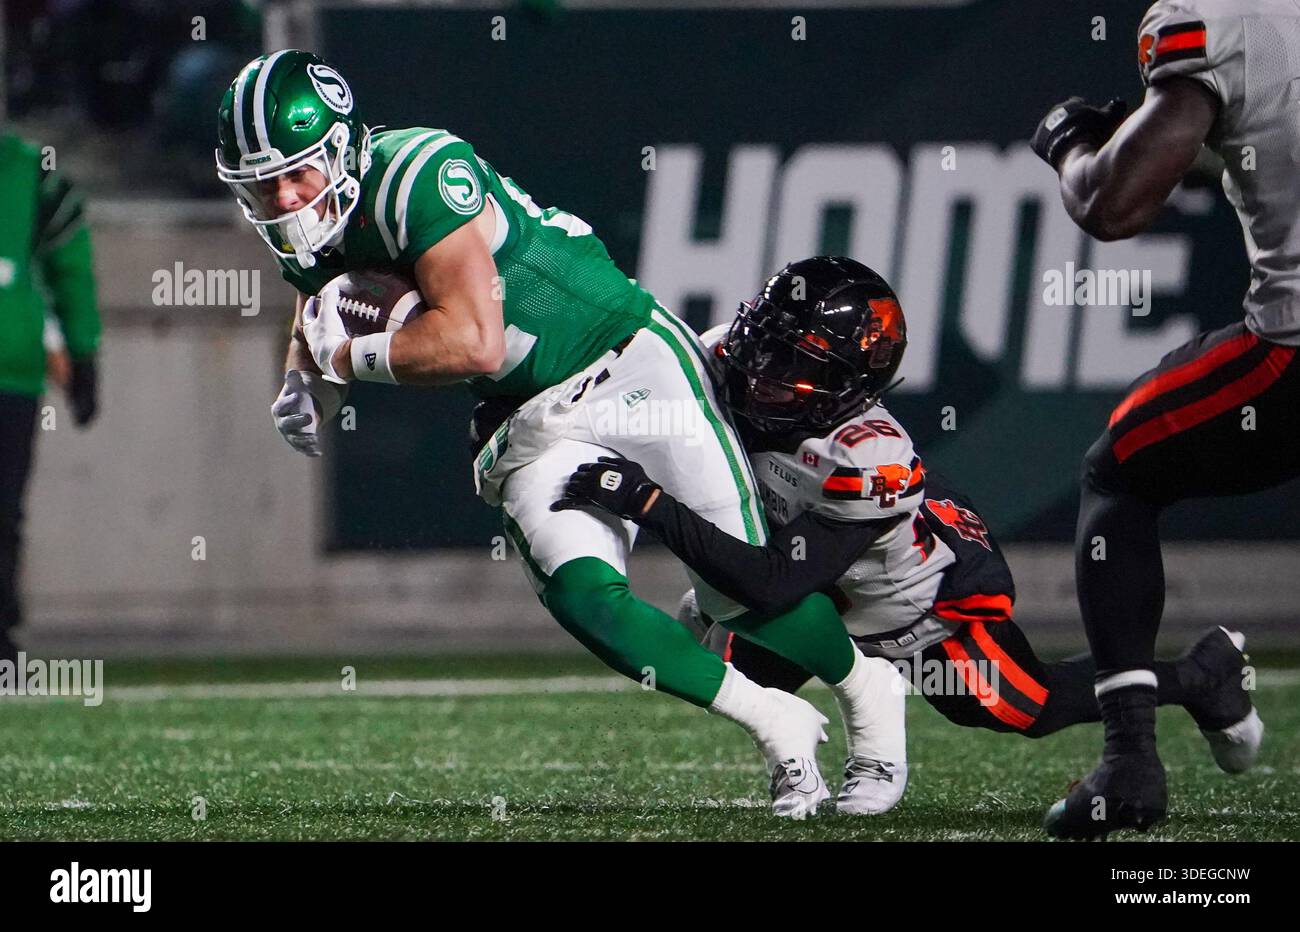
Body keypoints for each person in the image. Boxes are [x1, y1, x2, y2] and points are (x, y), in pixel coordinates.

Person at [217, 50, 898, 817]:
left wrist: (342, 357)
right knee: (588, 598)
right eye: (258, 186)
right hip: (531, 414)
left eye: (297, 174)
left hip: (627, 360)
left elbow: (472, 340)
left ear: (342, 148)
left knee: (738, 585)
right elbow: (324, 310)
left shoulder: (420, 174)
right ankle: (778, 725)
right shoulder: (309, 230)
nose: (283, 201)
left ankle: (871, 697)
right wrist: (300, 376)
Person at [554, 256, 1261, 815]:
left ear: (849, 385)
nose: (760, 372)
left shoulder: (863, 457)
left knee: (1016, 705)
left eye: (792, 364)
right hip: (813, 580)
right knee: (730, 665)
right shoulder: (721, 365)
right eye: (761, 344)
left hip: (912, 601)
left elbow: (774, 581)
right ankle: (806, 759)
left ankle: (1200, 677)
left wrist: (648, 501)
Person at [1028, 0, 1291, 837]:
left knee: (1118, 472)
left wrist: (1072, 143)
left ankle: (1129, 762)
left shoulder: (1215, 17)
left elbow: (1114, 206)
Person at [0, 130, 100, 662]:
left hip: (10, 370)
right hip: (12, 362)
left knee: (3, 515)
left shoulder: (28, 172)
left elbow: (68, 260)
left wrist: (81, 351)